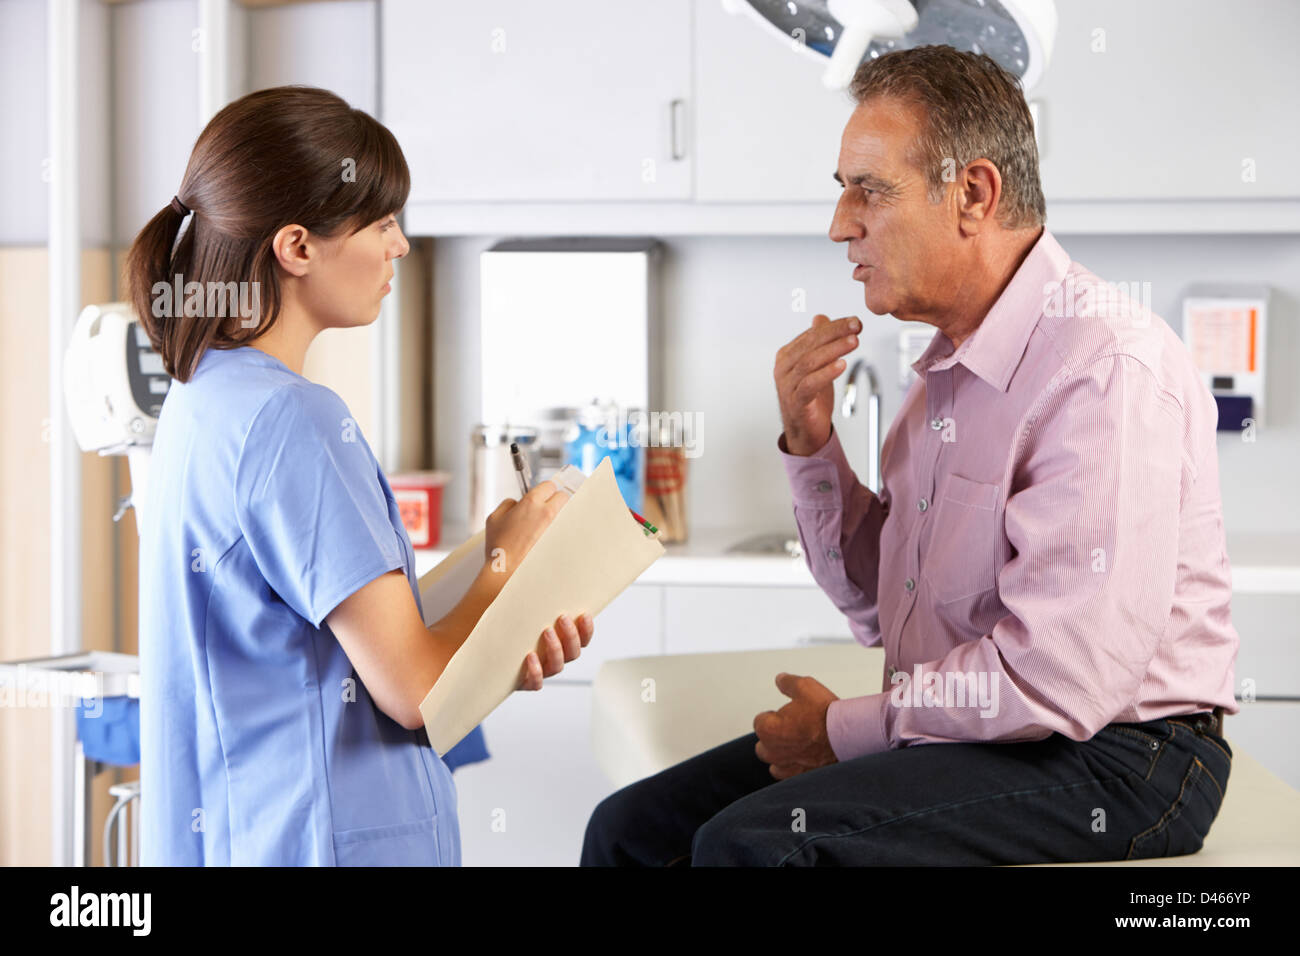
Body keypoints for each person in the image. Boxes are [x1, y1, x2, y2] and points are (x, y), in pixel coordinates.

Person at [582, 46, 1238, 866]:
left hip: (1120, 760)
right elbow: (875, 603)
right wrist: (813, 444)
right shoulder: (942, 375)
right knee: (628, 832)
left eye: (871, 190)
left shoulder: (1105, 368)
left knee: (751, 847)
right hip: (985, 735)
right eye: (841, 189)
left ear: (973, 194)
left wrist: (847, 730)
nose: (840, 223)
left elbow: (1061, 676)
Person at [128, 86, 594, 865]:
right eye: (380, 222)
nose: (400, 246)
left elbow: (343, 647)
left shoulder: (202, 399)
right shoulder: (294, 422)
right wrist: (508, 561)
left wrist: (493, 609)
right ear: (297, 247)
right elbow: (414, 691)